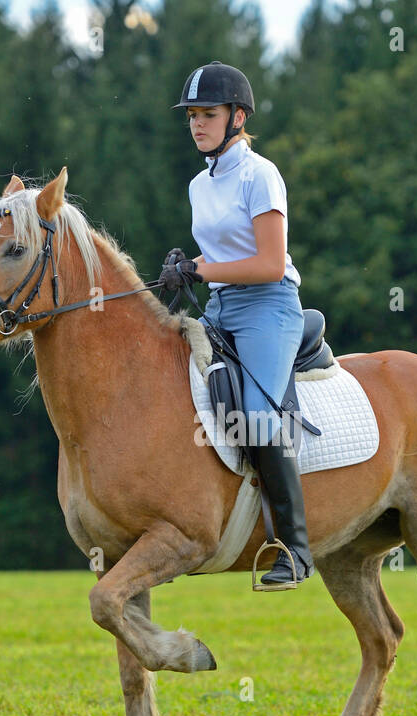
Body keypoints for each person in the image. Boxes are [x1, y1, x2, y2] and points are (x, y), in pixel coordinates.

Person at [160, 61, 314, 590]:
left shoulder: (260, 174)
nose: (197, 124)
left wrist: (200, 268)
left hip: (269, 306)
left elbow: (270, 263)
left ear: (237, 116)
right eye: (192, 116)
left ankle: (295, 550)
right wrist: (185, 266)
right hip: (220, 307)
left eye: (208, 114)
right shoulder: (199, 185)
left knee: (255, 415)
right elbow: (219, 253)